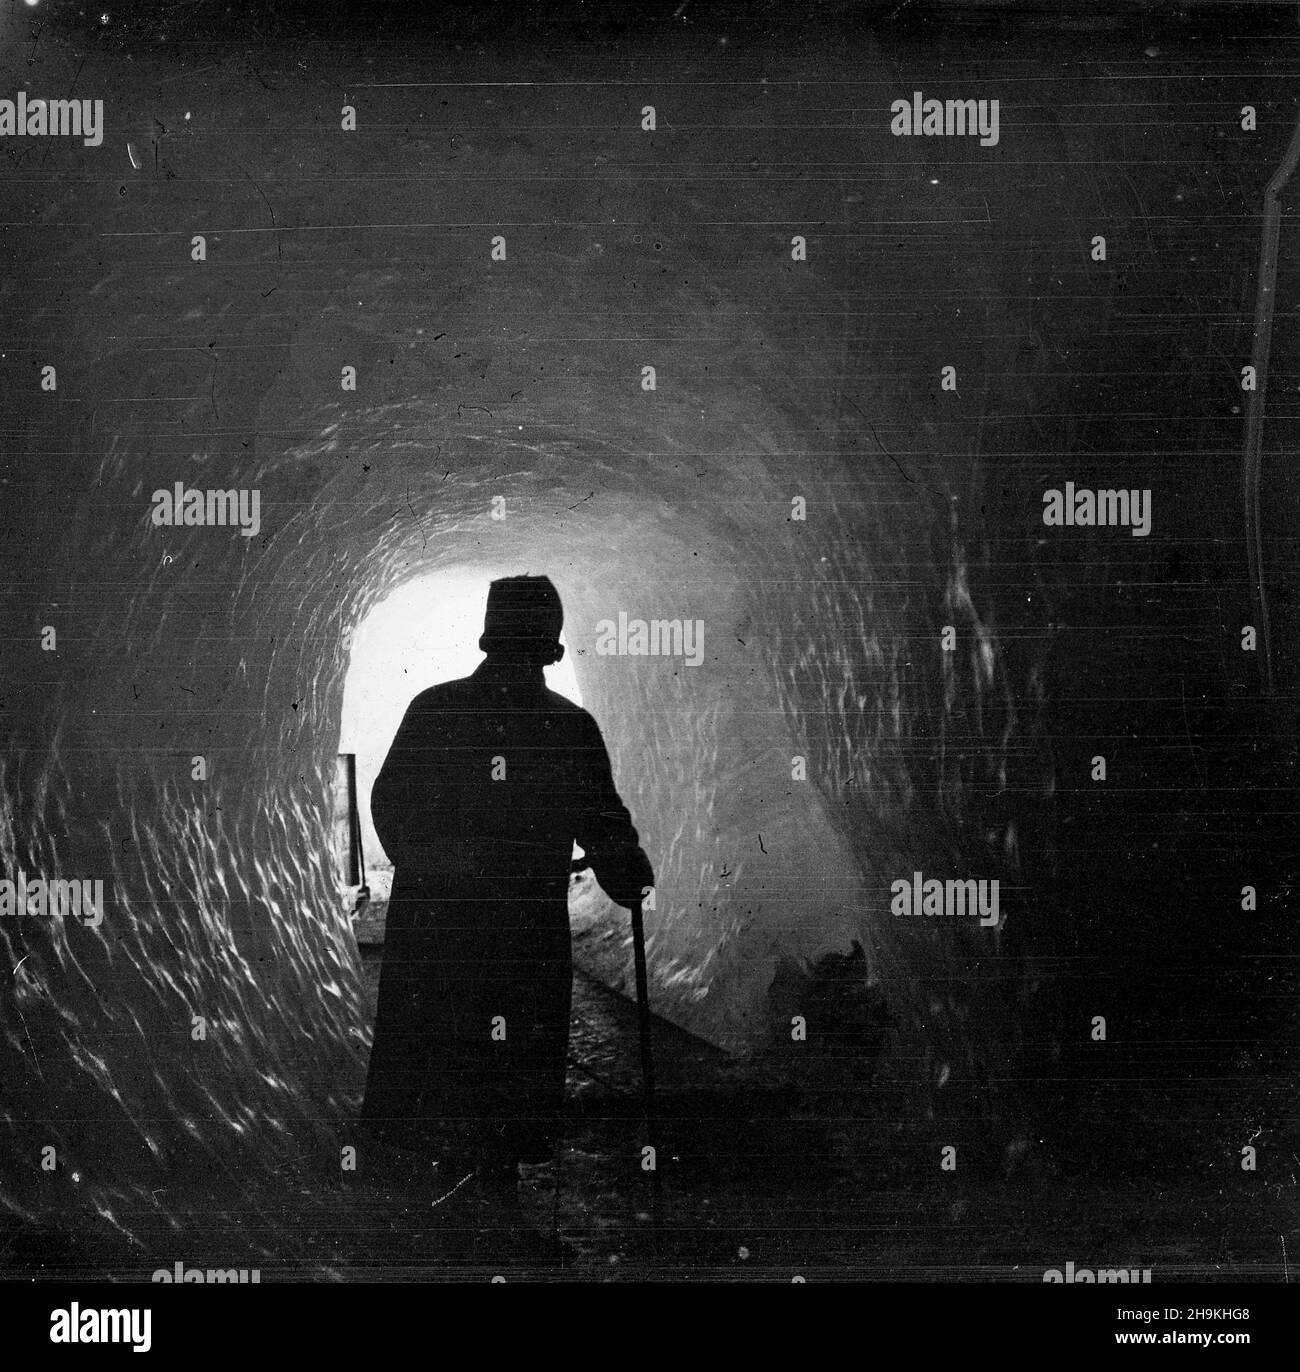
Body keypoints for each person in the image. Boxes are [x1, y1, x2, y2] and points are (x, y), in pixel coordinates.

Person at [359, 574, 654, 1245]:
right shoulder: (564, 727)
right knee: (496, 1065)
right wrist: (618, 857)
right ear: (549, 645)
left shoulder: (438, 711)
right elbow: (601, 819)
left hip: (447, 930)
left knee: (453, 1062)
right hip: (508, 932)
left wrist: (616, 852)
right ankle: (487, 1214)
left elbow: (392, 805)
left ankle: (461, 1219)